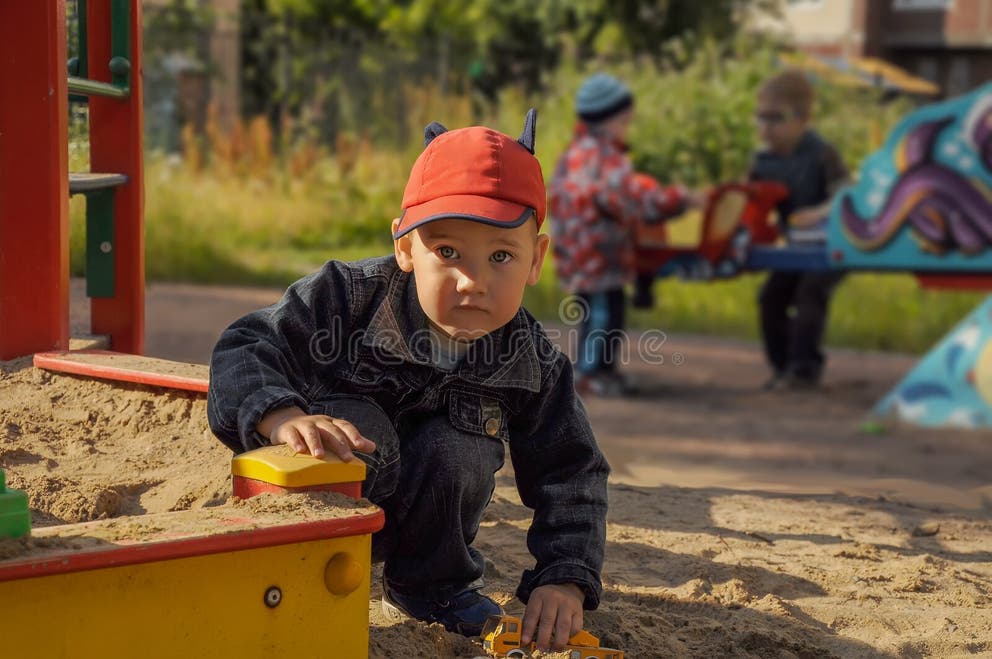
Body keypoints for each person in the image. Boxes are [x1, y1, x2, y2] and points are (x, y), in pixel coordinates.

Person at [207, 109, 610, 652]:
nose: (472, 281)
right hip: (323, 505)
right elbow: (245, 343)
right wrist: (281, 416)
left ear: (535, 259)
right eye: (448, 253)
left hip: (429, 524)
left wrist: (564, 578)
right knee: (353, 427)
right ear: (404, 246)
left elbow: (572, 470)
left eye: (500, 256)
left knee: (462, 448)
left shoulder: (530, 360)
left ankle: (431, 588)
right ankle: (293, 577)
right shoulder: (346, 298)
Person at [549, 72, 701, 397]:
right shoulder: (603, 157)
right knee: (604, 313)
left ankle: (600, 370)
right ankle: (590, 372)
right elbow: (631, 198)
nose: (625, 129)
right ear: (607, 120)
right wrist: (679, 199)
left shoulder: (574, 153)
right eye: (623, 122)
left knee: (598, 311)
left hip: (578, 251)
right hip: (598, 254)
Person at [748, 69, 849, 390]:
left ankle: (805, 367)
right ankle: (783, 367)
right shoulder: (762, 161)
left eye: (776, 118)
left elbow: (846, 195)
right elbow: (750, 202)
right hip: (795, 248)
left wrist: (819, 213)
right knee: (771, 297)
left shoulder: (822, 153)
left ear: (803, 119)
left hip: (831, 244)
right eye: (761, 117)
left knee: (810, 291)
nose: (766, 127)